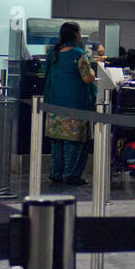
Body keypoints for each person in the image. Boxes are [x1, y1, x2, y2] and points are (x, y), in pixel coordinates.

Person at [42, 22, 96, 186]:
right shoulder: (79, 54)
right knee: (74, 142)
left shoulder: (54, 53)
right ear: (76, 34)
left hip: (55, 104)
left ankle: (56, 173)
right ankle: (71, 175)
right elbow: (87, 78)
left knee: (57, 142)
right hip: (75, 106)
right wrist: (93, 72)